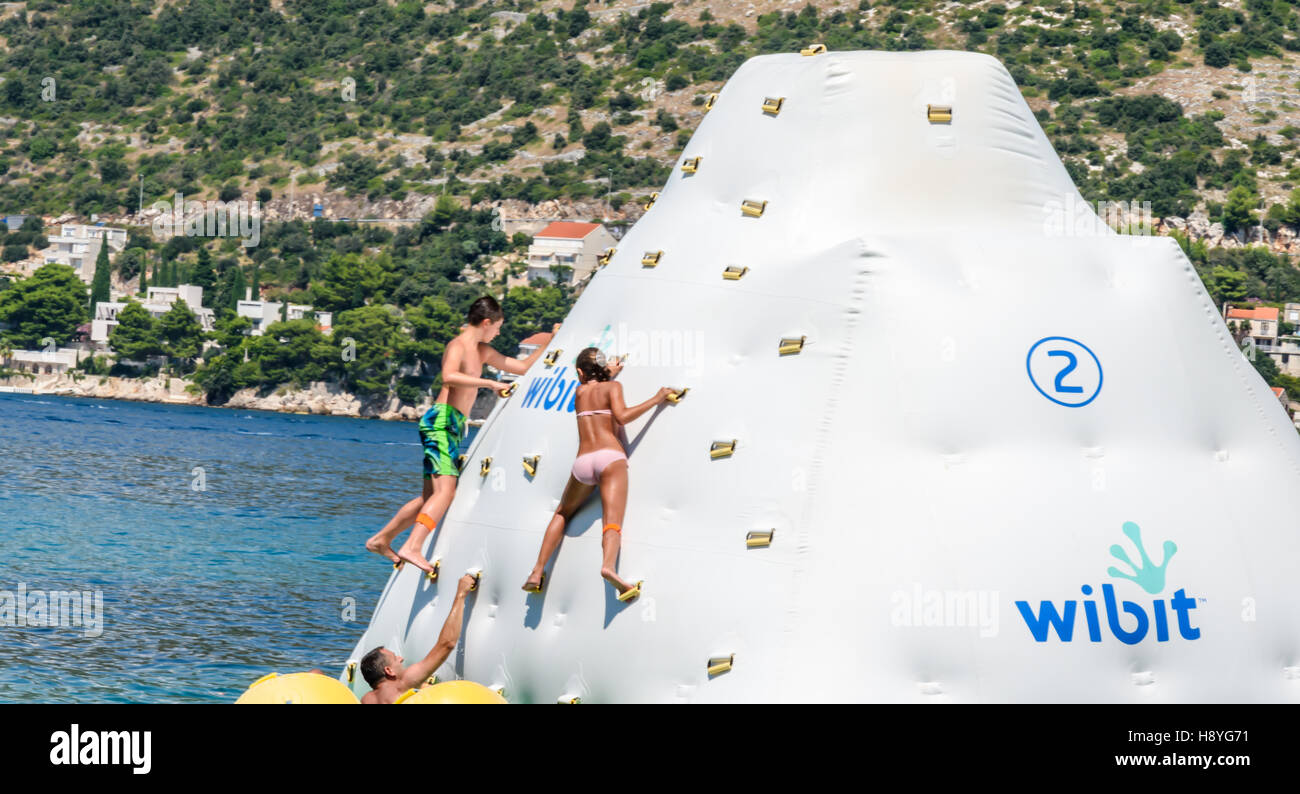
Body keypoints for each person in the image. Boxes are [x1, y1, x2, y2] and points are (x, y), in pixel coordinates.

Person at [366, 296, 558, 573]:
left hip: (453, 426)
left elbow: (523, 367)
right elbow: (449, 377)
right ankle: (412, 547)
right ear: (486, 322)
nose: (499, 333)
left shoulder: (482, 351)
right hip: (441, 422)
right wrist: (490, 383)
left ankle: (381, 540)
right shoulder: (457, 346)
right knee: (446, 493)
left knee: (429, 497)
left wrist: (550, 341)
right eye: (498, 327)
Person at [521, 347, 675, 599]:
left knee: (562, 512)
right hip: (610, 458)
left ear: (580, 372)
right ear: (605, 370)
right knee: (612, 521)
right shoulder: (613, 388)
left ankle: (536, 571)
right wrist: (657, 399)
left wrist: (606, 373)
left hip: (583, 462)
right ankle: (608, 566)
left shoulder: (579, 392)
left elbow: (595, 390)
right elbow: (622, 417)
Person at [359, 573, 478, 704]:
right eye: (395, 658)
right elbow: (446, 645)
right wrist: (461, 594)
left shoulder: (367, 699)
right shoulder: (404, 683)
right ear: (389, 671)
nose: (401, 658)